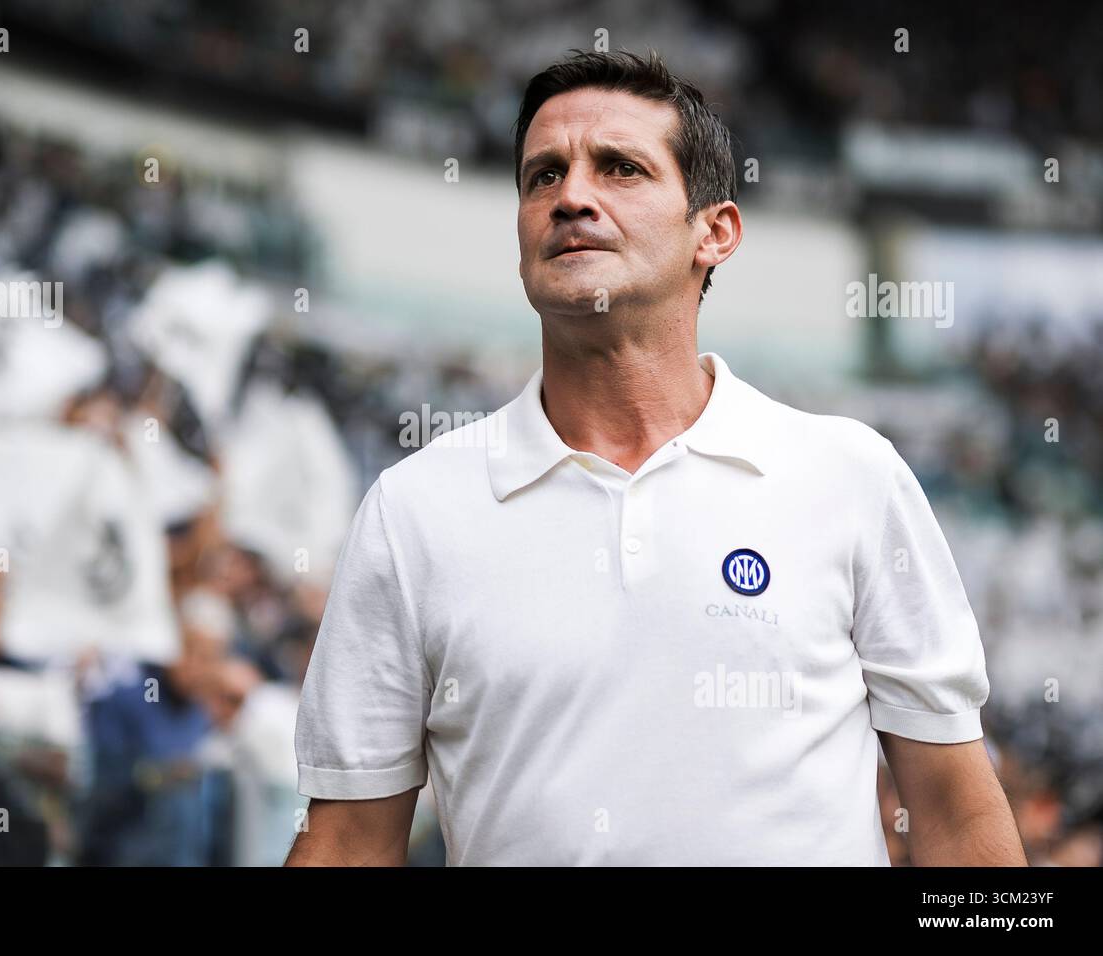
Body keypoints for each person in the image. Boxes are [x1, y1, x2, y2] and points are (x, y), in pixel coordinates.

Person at [286, 49, 1026, 866]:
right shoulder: (414, 509)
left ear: (715, 232)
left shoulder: (850, 477)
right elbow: (349, 844)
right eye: (542, 177)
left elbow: (955, 815)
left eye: (620, 169)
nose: (571, 197)